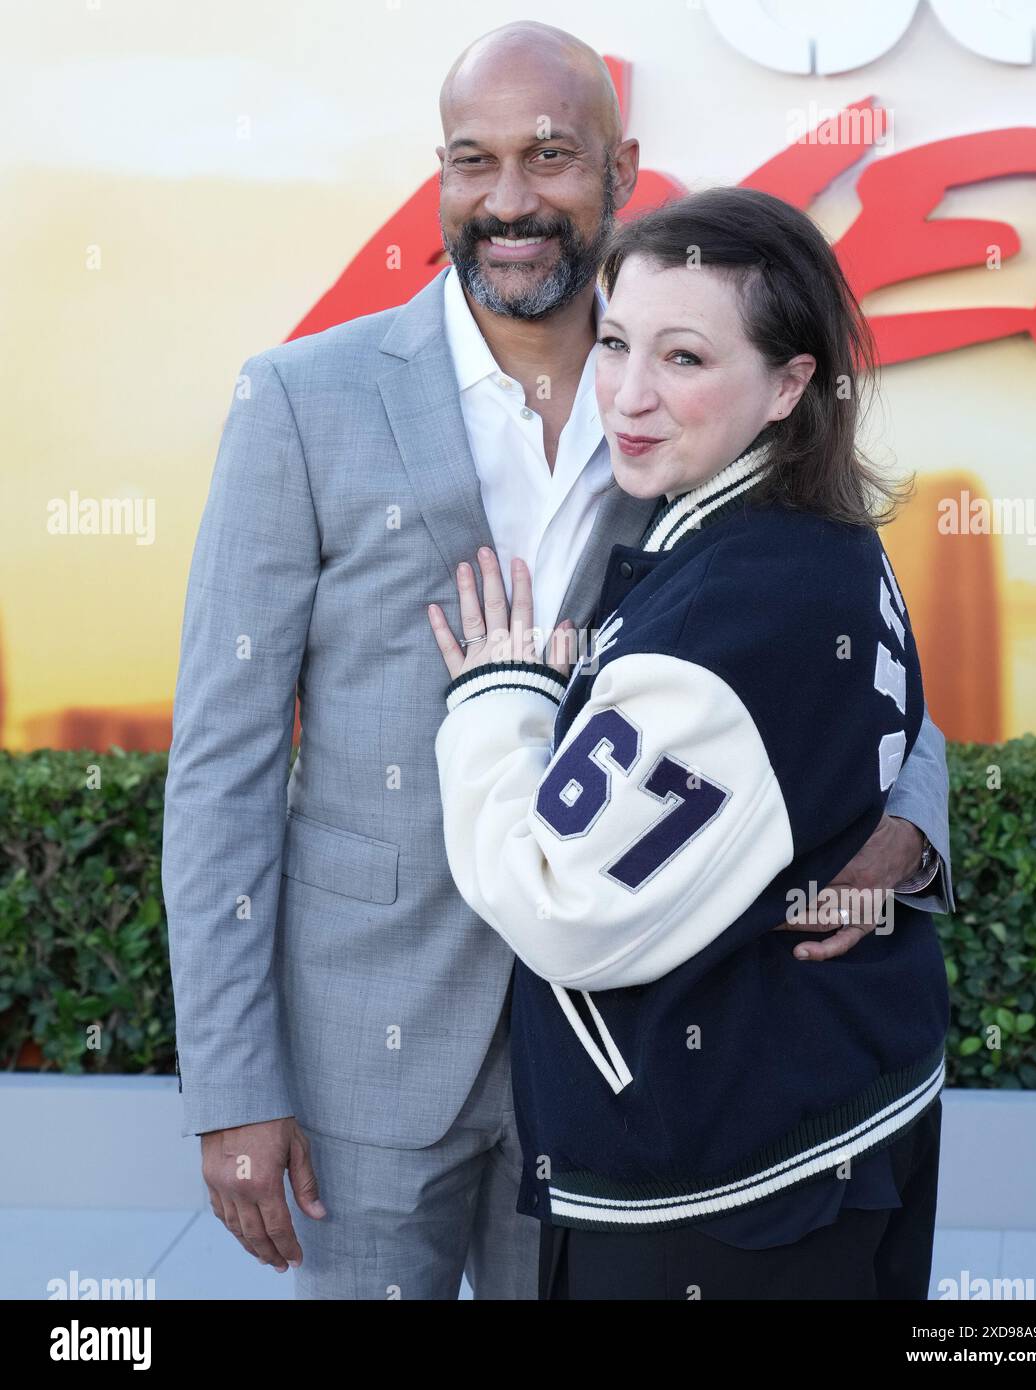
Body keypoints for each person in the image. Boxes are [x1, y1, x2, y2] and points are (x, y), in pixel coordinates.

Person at [162, 20, 951, 1301]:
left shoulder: (692, 380)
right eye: (473, 162)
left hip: (635, 1065)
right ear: (438, 176)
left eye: (550, 156)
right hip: (373, 1057)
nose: (510, 199)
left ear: (622, 170)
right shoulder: (300, 401)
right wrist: (233, 1083)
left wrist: (906, 833)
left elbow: (851, 644)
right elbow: (223, 763)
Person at [429, 185, 951, 1300]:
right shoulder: (819, 534)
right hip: (834, 1124)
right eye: (614, 342)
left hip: (726, 1190)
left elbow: (559, 900)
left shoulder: (733, 608)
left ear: (789, 382)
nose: (624, 394)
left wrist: (495, 696)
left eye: (682, 359)